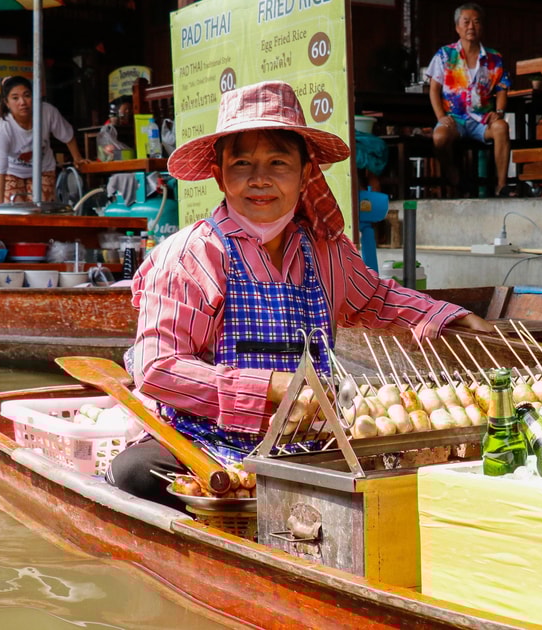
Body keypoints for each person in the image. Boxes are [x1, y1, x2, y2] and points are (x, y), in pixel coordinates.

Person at [107, 81, 493, 510]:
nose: (260, 180)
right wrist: (271, 387)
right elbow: (159, 370)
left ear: (306, 172)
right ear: (219, 174)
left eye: (278, 163)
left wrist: (447, 316)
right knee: (136, 475)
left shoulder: (325, 252)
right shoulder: (191, 256)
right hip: (205, 441)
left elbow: (376, 299)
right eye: (241, 165)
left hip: (306, 444)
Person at [426, 3, 513, 197]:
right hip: (454, 118)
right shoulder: (445, 55)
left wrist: (498, 112)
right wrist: (441, 116)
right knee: (439, 137)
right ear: (457, 27)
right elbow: (434, 90)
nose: (471, 27)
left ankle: (501, 185)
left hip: (482, 119)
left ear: (482, 27)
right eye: (466, 22)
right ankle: (453, 174)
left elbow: (501, 89)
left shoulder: (494, 58)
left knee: (502, 128)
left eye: (476, 22)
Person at [0, 75, 88, 205]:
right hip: (12, 172)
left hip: (43, 169)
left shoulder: (47, 112)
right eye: (15, 98)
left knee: (41, 211)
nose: (22, 102)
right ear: (6, 103)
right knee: (14, 213)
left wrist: (77, 158)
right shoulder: (3, 128)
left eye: (27, 95)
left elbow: (67, 135)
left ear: (34, 97)